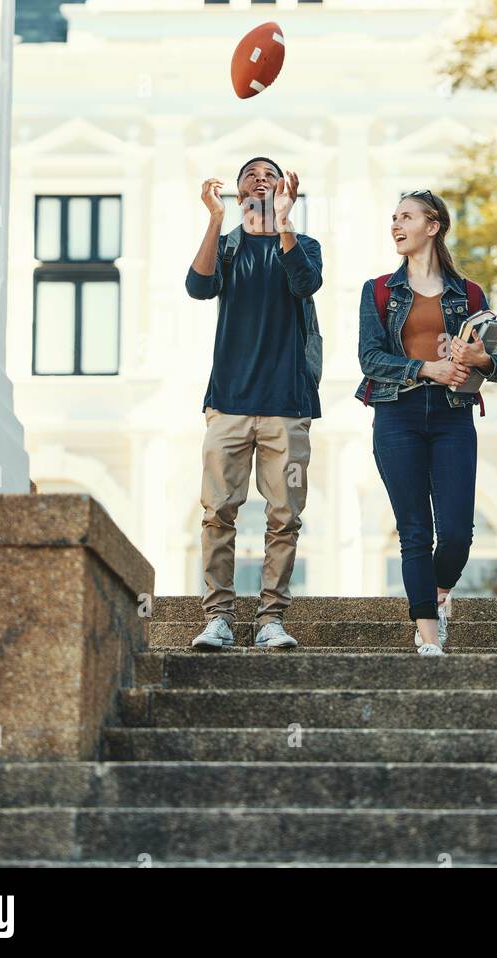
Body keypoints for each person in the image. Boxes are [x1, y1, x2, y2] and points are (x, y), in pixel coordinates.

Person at [355, 189, 497, 655]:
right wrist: (426, 368)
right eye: (393, 218)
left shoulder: (470, 293)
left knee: (458, 534)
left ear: (433, 225)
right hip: (397, 414)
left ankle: (438, 592)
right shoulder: (380, 290)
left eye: (406, 217)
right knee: (414, 532)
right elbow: (369, 358)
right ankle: (428, 636)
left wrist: (483, 358)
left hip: (452, 417)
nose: (396, 225)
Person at [185, 157, 322, 650]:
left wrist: (283, 223)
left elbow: (305, 284)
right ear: (238, 191)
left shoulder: (303, 246)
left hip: (287, 403)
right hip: (229, 402)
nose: (260, 179)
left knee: (285, 515)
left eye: (270, 175)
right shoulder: (226, 248)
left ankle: (271, 620)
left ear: (286, 187)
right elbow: (198, 287)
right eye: (250, 175)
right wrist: (214, 219)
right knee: (218, 511)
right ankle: (218, 616)